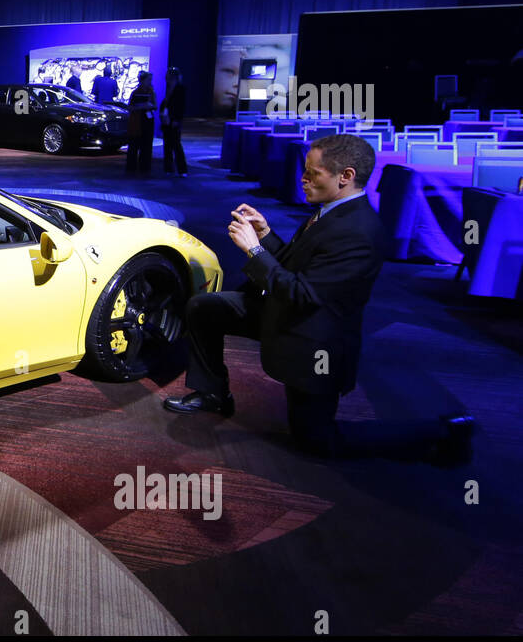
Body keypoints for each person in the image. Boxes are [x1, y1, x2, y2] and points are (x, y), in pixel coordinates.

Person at [162, 134, 473, 463]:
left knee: (317, 440)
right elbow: (297, 268)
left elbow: (303, 294)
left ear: (346, 176)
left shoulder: (359, 232)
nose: (303, 179)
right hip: (286, 312)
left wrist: (253, 250)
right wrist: (266, 235)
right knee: (205, 307)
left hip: (314, 341)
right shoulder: (330, 210)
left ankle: (445, 431)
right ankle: (212, 392)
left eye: (312, 173)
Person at [125, 70, 157, 173]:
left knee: (147, 146)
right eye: (148, 80)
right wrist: (139, 107)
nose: (150, 82)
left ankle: (145, 167)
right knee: (134, 145)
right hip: (137, 122)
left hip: (148, 121)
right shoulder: (135, 93)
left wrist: (149, 106)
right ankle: (131, 168)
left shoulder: (151, 92)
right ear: (142, 81)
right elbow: (130, 107)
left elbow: (155, 105)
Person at [160, 66, 188, 177]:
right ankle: (168, 169)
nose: (166, 78)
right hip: (166, 120)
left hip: (174, 120)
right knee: (167, 145)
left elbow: (181, 106)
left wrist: (177, 119)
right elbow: (166, 104)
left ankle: (182, 170)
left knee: (176, 144)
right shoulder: (168, 88)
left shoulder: (180, 89)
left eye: (168, 76)